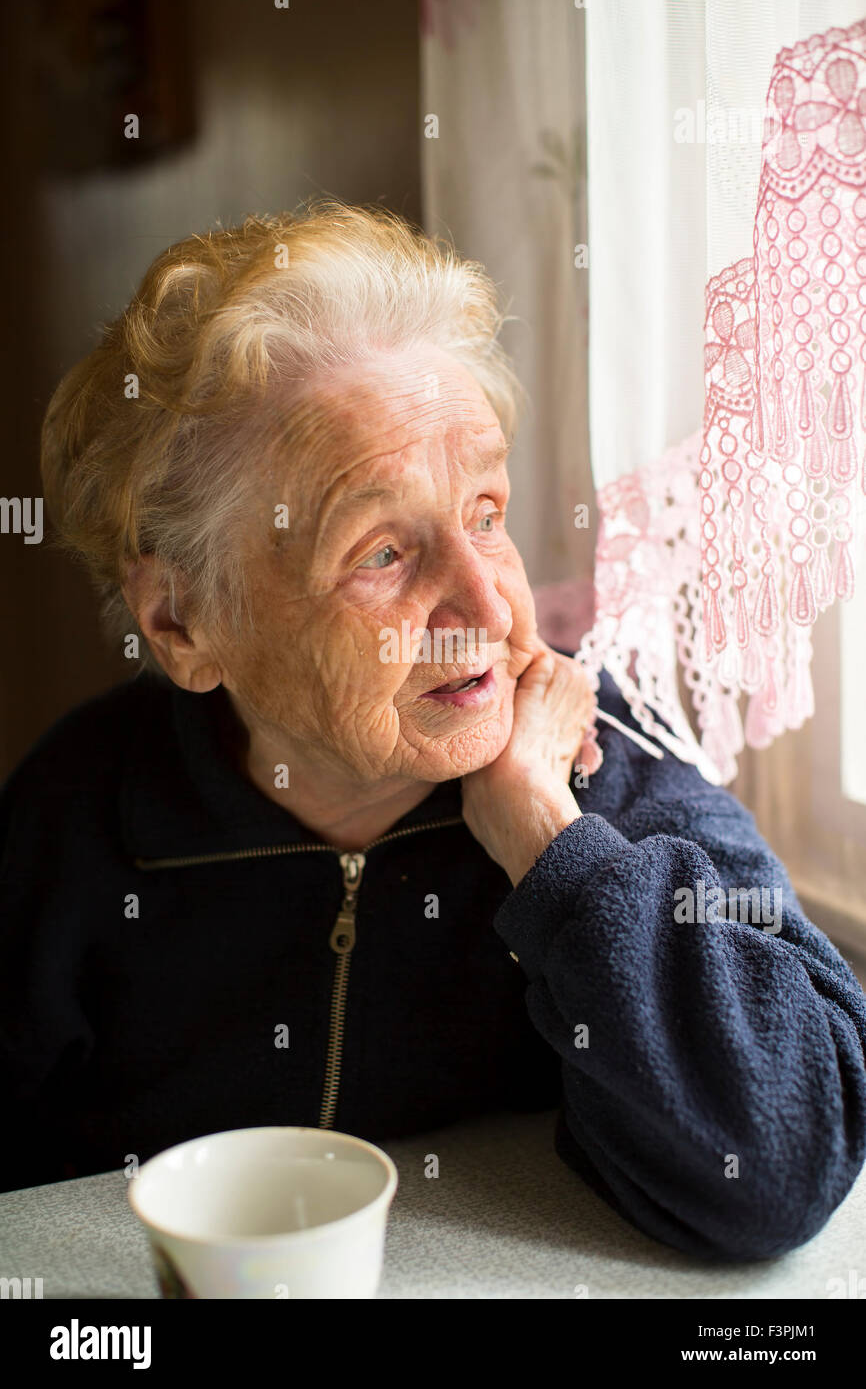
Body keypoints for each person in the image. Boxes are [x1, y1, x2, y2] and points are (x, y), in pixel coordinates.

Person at [1, 201, 864, 1264]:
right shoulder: (75, 826)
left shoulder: (600, 769)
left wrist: (549, 843)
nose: (489, 605)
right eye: (382, 553)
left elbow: (782, 1165)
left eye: (486, 513)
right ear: (182, 622)